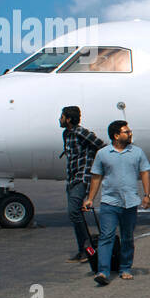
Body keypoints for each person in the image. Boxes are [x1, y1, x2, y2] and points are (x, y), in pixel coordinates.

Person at [83, 120, 150, 285]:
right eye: (126, 132)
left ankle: (125, 268)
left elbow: (144, 173)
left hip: (130, 203)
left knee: (127, 237)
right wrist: (90, 198)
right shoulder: (103, 154)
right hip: (109, 202)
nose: (130, 134)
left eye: (129, 131)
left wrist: (147, 195)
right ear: (116, 135)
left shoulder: (137, 152)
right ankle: (103, 271)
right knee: (106, 237)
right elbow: (96, 177)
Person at [58, 106, 105, 263]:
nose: (60, 119)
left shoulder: (81, 133)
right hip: (71, 180)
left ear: (68, 119)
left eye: (62, 117)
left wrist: (95, 166)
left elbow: (101, 146)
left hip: (82, 178)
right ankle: (84, 250)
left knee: (74, 212)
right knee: (75, 214)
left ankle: (87, 249)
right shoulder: (66, 134)